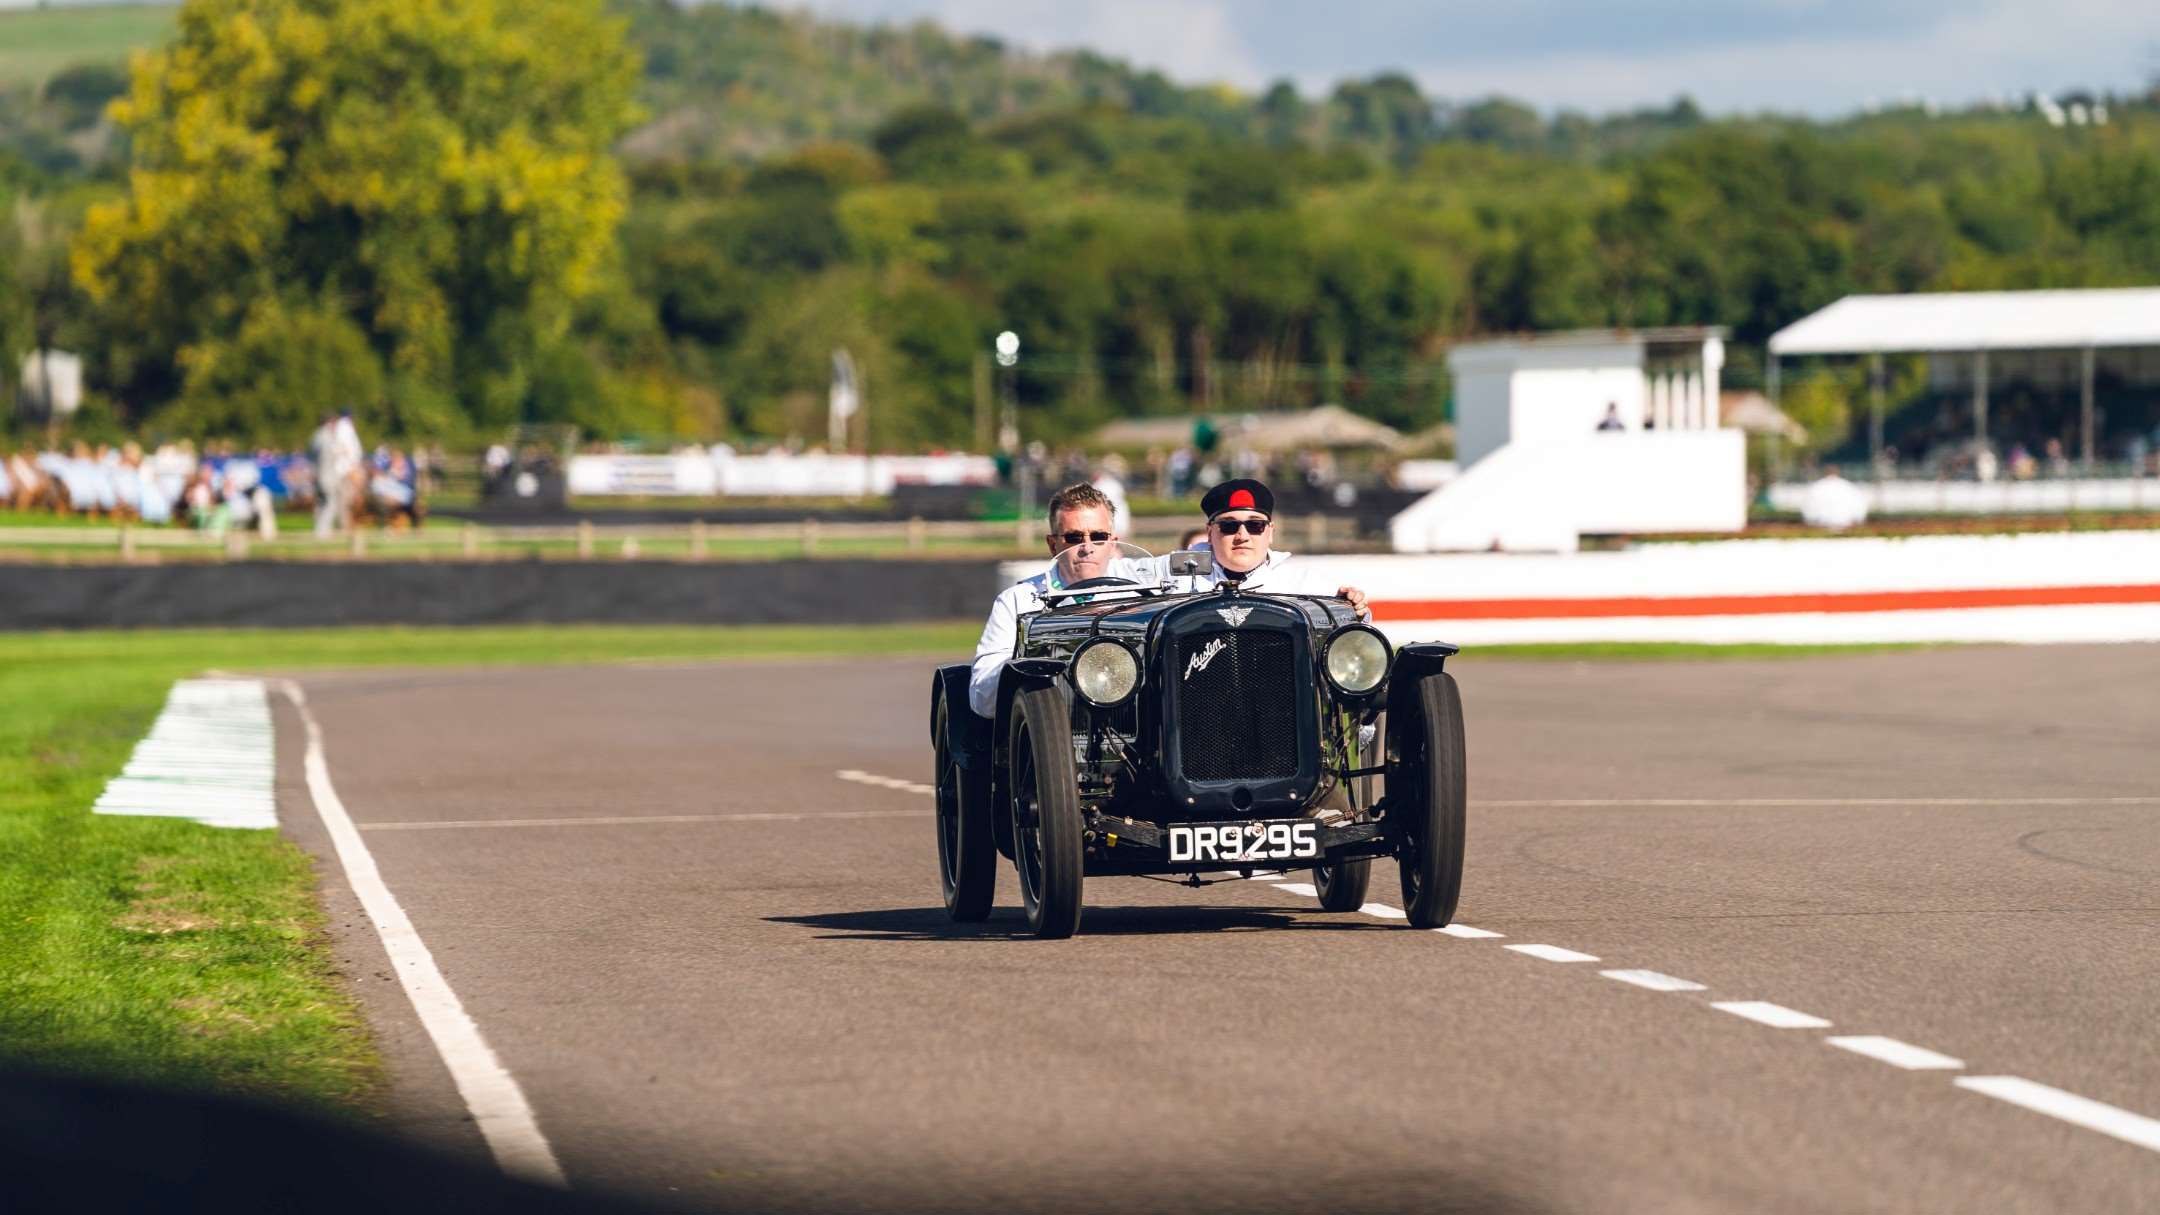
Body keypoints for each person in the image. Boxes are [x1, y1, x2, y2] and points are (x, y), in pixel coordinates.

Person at [968, 483, 1122, 719]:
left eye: (1099, 537)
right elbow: (982, 699)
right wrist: (1035, 662)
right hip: (1052, 726)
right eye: (1074, 537)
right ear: (1053, 544)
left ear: (1113, 543)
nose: (1087, 548)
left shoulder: (1146, 587)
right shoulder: (1017, 601)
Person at [1180, 478, 1370, 618]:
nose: (1242, 536)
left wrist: (1353, 608)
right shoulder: (1172, 579)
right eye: (1229, 526)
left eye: (1255, 525)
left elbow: (1354, 634)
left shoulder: (1304, 584)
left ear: (1270, 532)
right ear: (1210, 532)